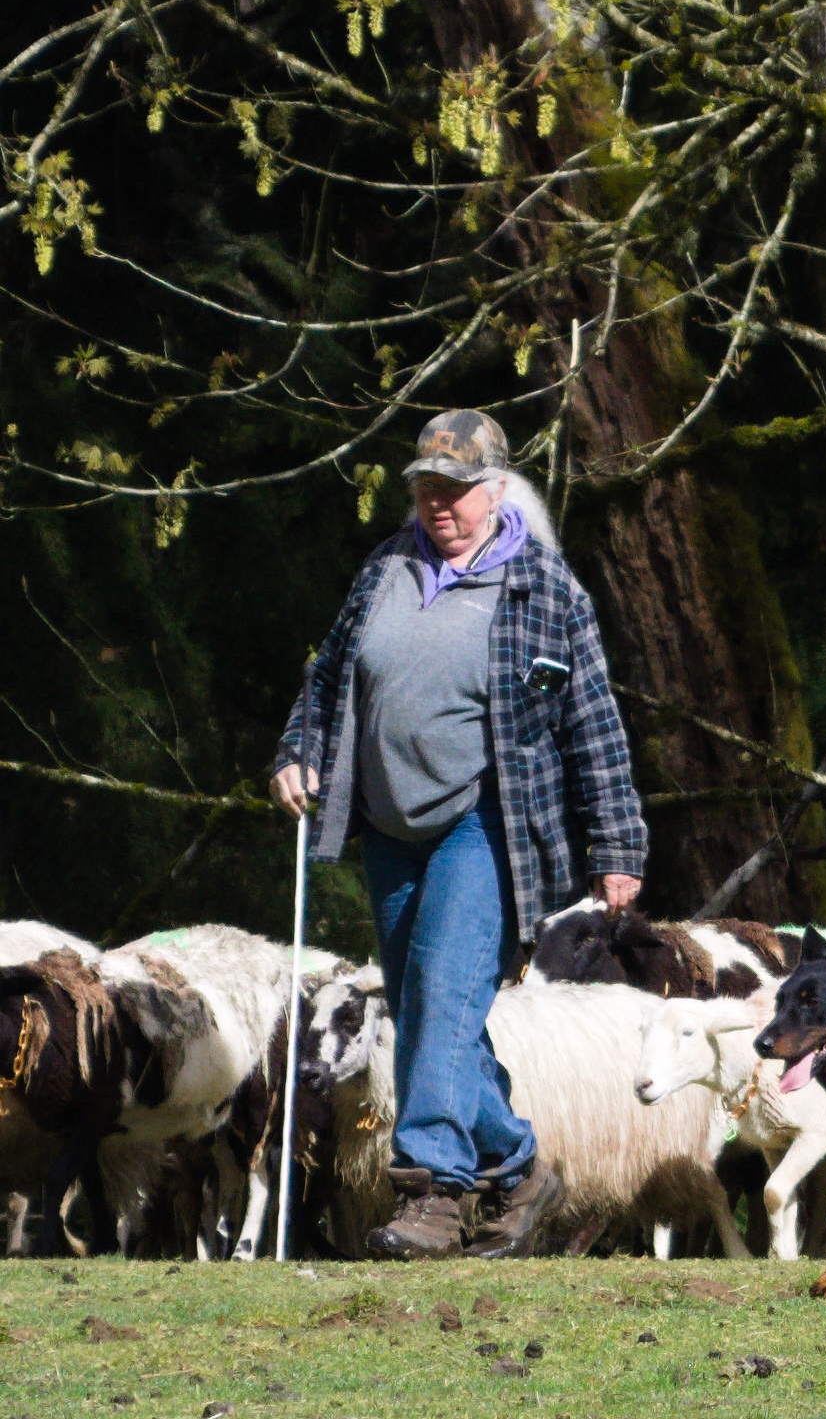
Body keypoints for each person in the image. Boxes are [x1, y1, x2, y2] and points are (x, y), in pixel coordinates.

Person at [270, 409, 647, 1259]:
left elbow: (595, 720)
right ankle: (517, 1166)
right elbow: (327, 675)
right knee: (422, 1012)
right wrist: (297, 750)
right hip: (388, 821)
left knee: (443, 994)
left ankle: (434, 1190)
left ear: (497, 490)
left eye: (456, 490)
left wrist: (618, 846)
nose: (438, 504)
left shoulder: (546, 589)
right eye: (425, 489)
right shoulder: (386, 567)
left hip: (487, 821)